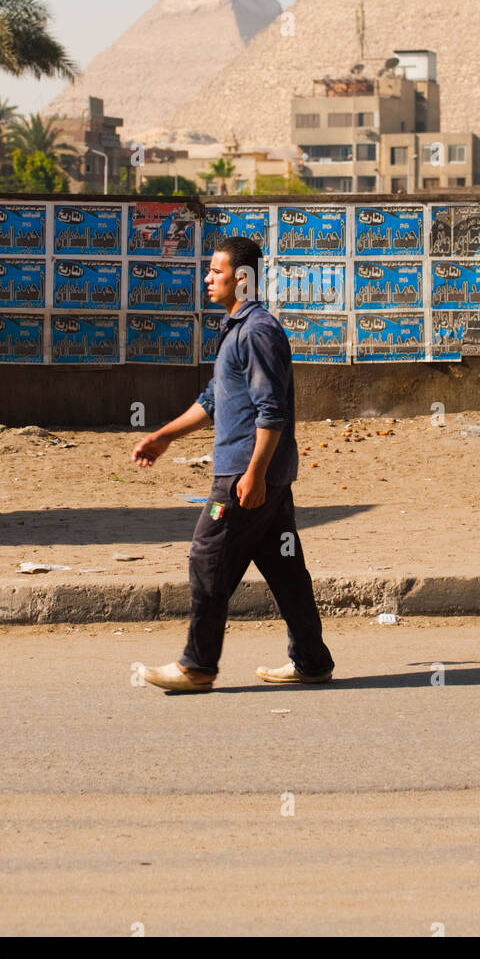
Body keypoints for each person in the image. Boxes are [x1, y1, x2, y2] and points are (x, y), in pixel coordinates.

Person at [131, 235, 335, 693]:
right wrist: (164, 436)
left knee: (207, 560)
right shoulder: (235, 329)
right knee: (285, 570)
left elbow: (271, 411)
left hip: (244, 476)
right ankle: (312, 661)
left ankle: (197, 667)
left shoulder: (257, 330)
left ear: (241, 279)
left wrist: (255, 474)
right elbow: (213, 401)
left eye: (216, 272)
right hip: (260, 476)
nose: (207, 278)